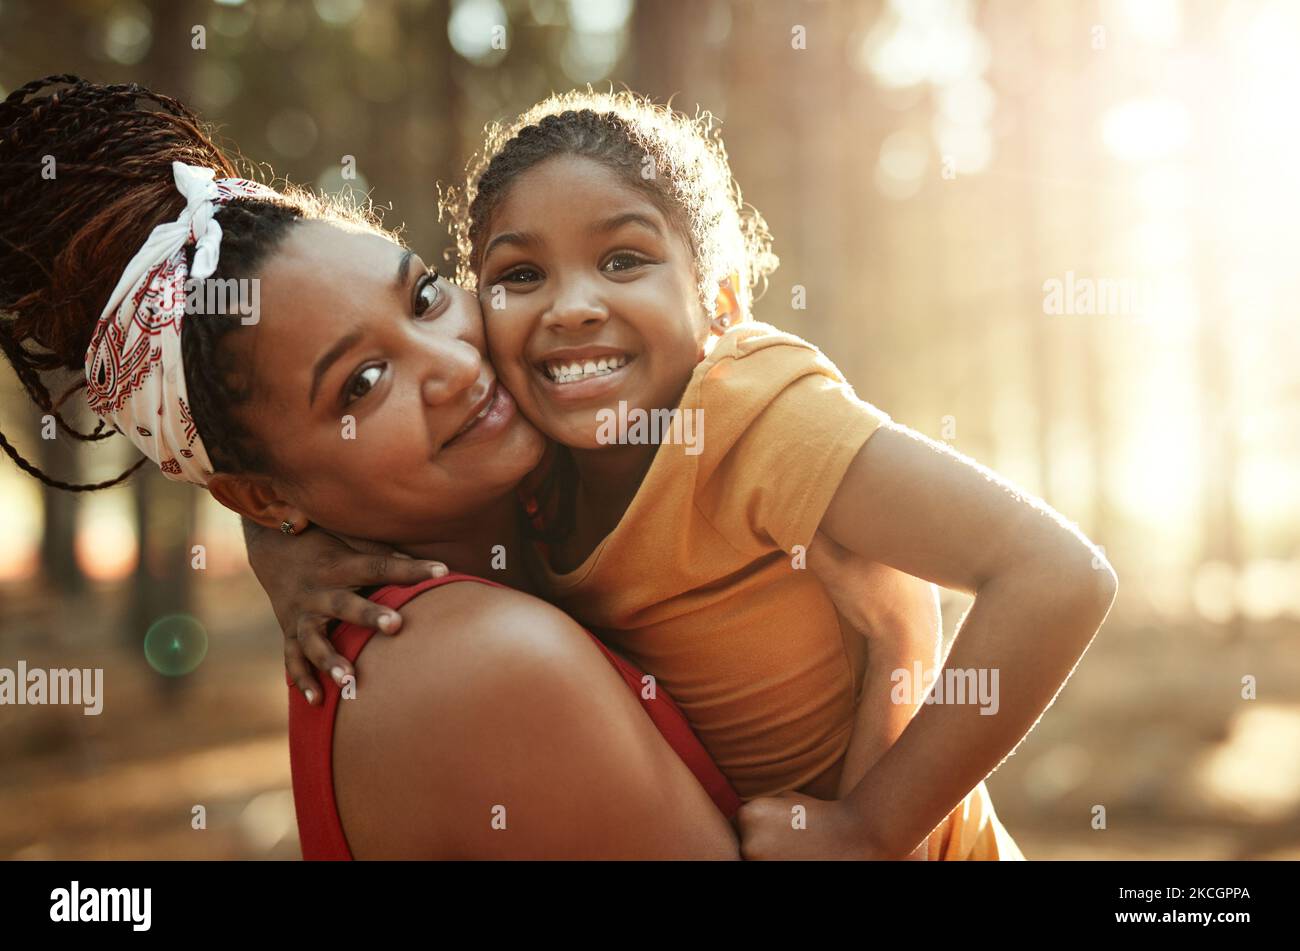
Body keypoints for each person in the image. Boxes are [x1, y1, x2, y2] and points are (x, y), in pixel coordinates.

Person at [256, 92, 1118, 860]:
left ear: (723, 301)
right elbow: (278, 452)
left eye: (624, 259)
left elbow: (1056, 573)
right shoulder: (526, 446)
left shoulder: (757, 417)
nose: (572, 306)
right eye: (521, 275)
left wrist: (872, 827)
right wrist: (279, 553)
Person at [0, 76, 741, 859]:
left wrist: (273, 540)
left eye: (423, 297)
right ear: (261, 494)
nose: (454, 366)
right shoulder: (491, 661)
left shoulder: (531, 524)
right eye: (362, 382)